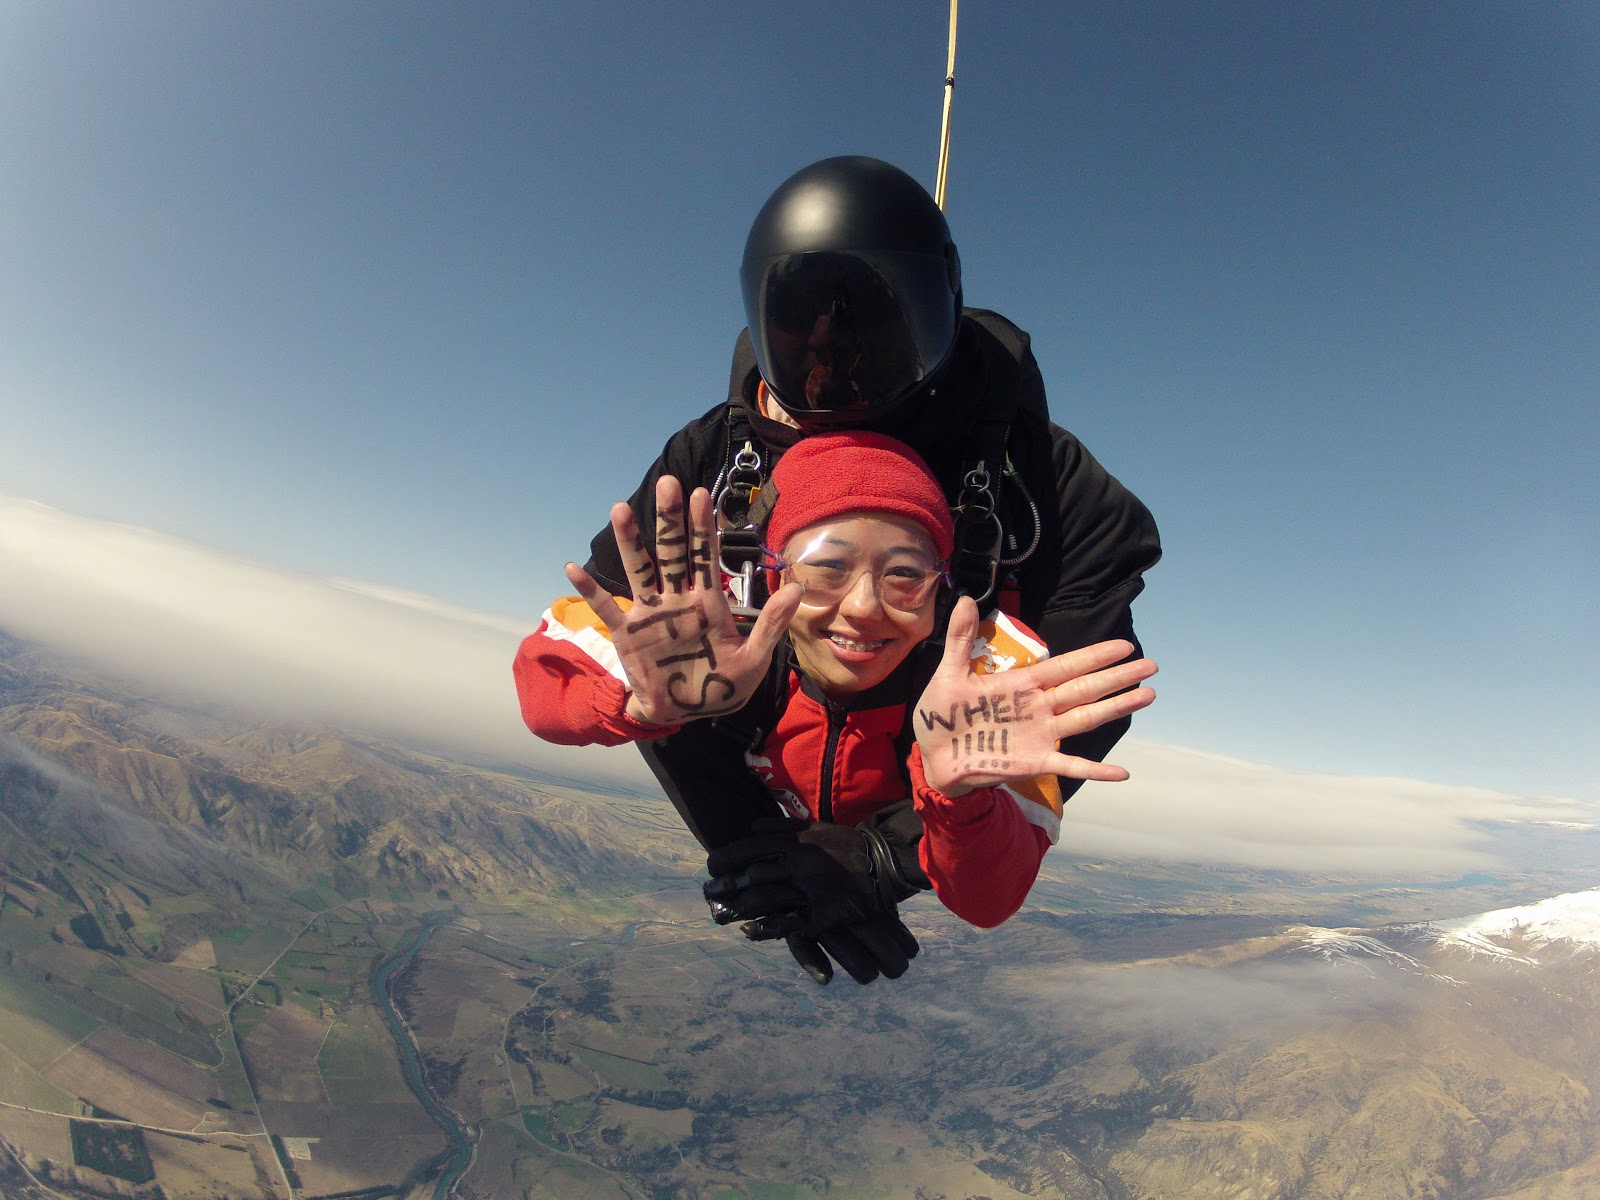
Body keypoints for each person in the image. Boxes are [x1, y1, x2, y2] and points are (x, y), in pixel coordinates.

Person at [571, 156, 1162, 982]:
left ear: (936, 312)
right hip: (763, 762)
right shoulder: (716, 462)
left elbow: (1053, 719)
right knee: (683, 644)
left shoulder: (1048, 493)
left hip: (935, 782)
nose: (833, 359)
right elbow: (621, 651)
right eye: (800, 323)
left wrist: (890, 857)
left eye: (869, 322)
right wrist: (753, 846)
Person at [514, 432, 1157, 983]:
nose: (864, 607)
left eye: (905, 574)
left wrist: (957, 797)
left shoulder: (988, 688)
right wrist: (641, 704)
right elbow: (545, 690)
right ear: (774, 575)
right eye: (826, 568)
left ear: (941, 590)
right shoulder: (702, 641)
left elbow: (987, 900)